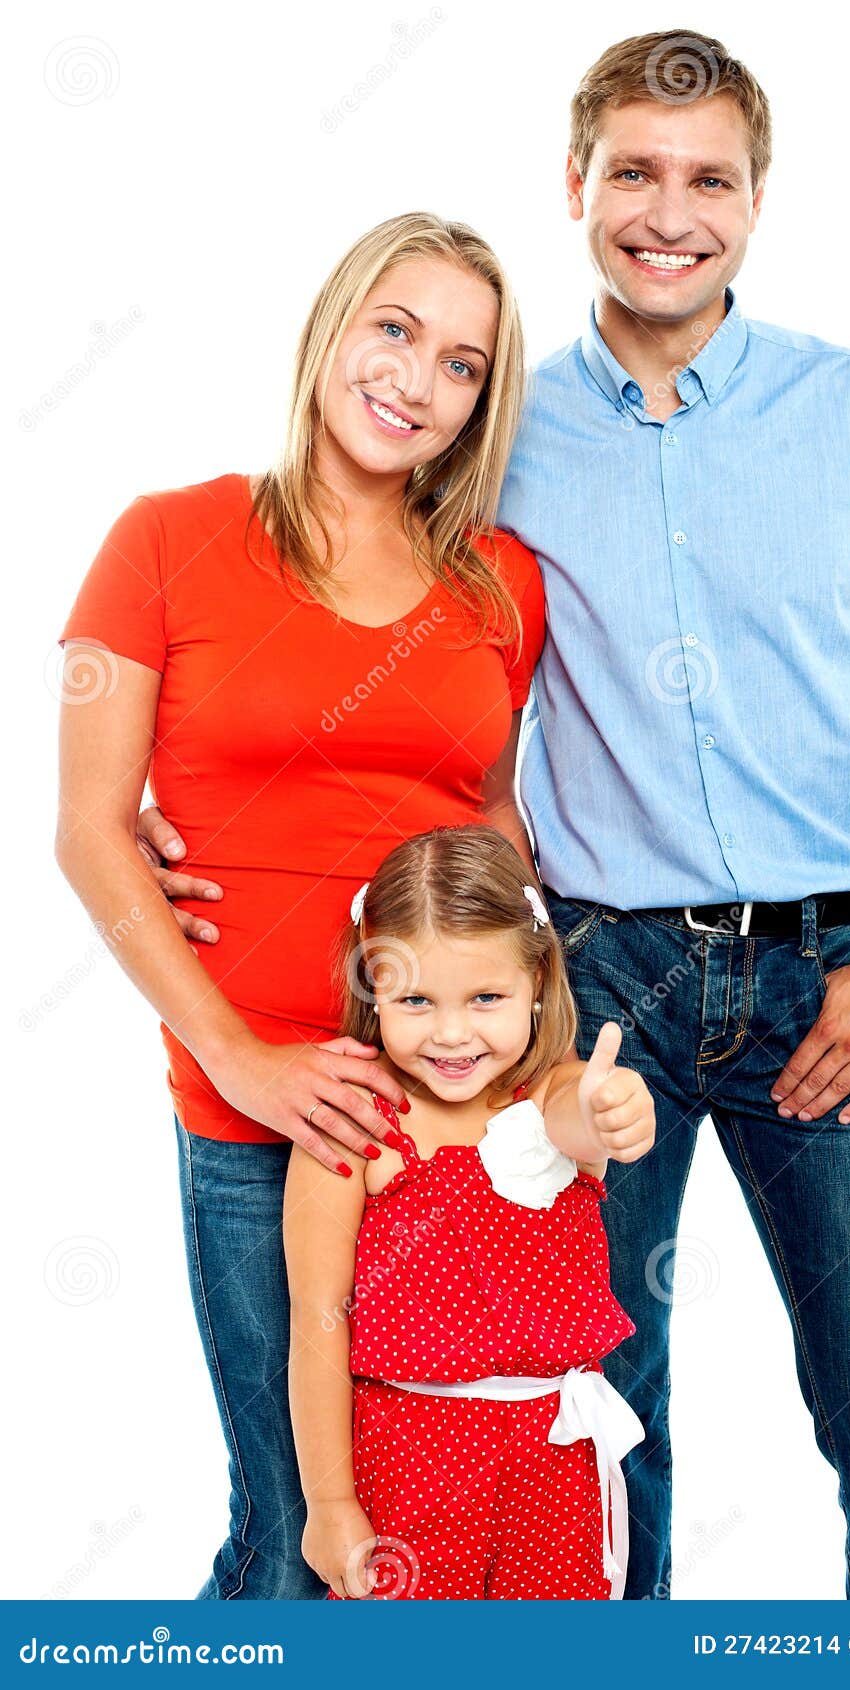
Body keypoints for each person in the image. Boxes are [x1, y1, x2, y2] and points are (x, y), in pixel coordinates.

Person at [494, 31, 850, 1599]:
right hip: (603, 986)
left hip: (829, 980)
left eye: (709, 179)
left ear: (757, 198)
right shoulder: (502, 432)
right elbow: (396, 652)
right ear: (573, 183)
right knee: (597, 1423)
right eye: (635, 173)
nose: (671, 214)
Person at [54, 213, 547, 1598]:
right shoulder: (166, 538)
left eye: (461, 364)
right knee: (292, 1536)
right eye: (395, 328)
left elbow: (491, 821)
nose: (415, 379)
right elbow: (88, 830)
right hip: (253, 1116)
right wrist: (239, 1059)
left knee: (426, 1531)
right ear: (333, 325)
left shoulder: (500, 582)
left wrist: (533, 1047)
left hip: (452, 1124)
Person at [284, 823, 653, 1600]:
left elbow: (583, 1114)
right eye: (415, 1001)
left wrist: (613, 1103)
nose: (451, 1034)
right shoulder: (357, 1126)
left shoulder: (549, 1097)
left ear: (537, 985)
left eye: (486, 998)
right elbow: (317, 1317)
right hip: (406, 1468)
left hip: (554, 1470)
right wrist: (329, 1503)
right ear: (372, 990)